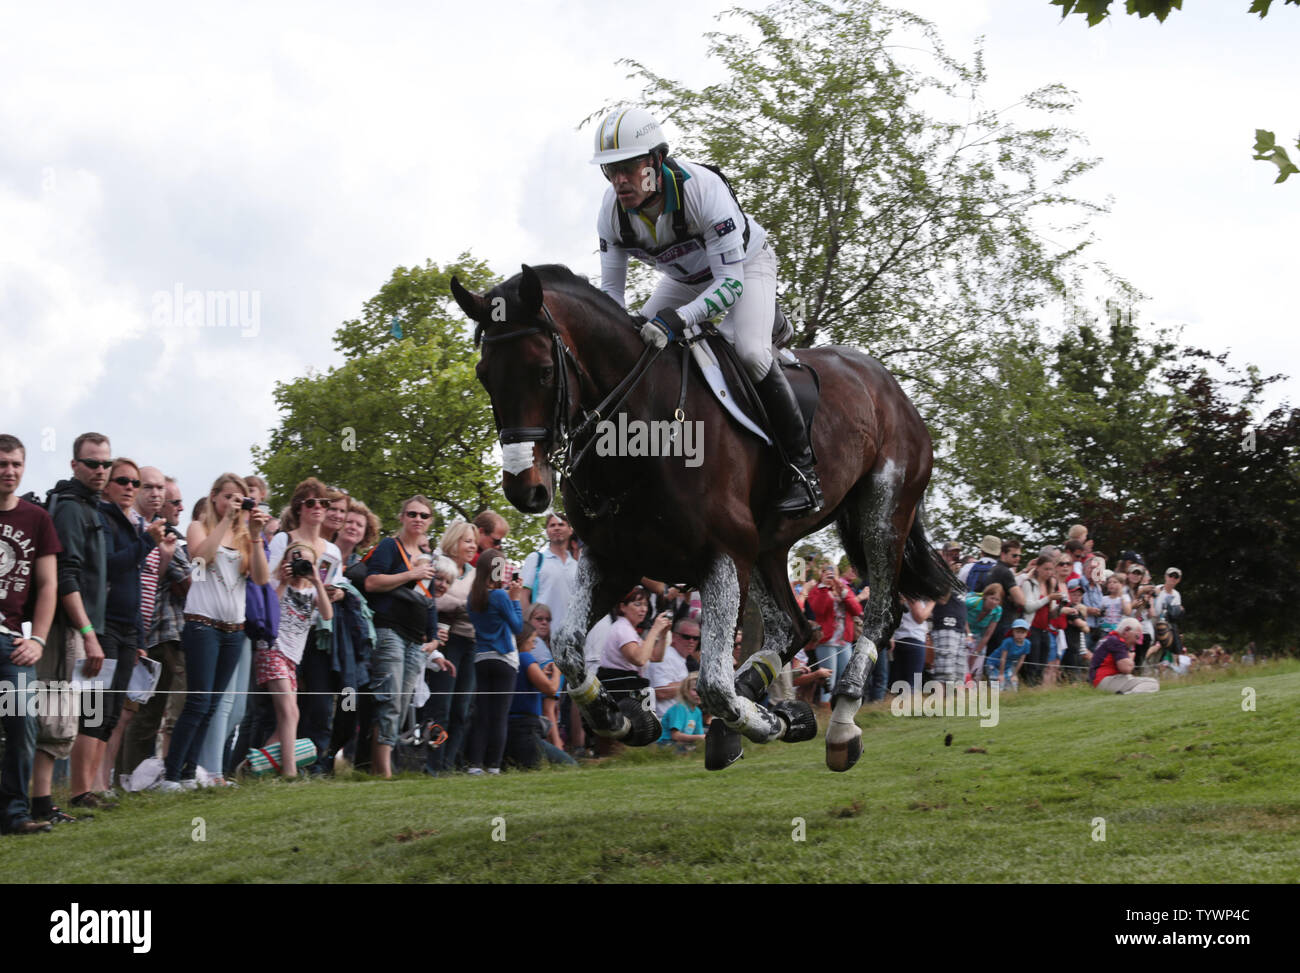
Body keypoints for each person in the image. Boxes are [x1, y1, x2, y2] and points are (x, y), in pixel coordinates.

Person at [592, 106, 821, 515]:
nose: (620, 180)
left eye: (628, 167)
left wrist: (679, 320)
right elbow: (612, 296)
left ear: (656, 160)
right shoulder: (610, 214)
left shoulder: (703, 190)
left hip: (745, 268)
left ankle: (803, 470)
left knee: (749, 352)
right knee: (638, 349)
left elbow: (729, 285)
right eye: (611, 170)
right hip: (685, 279)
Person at [157, 474, 270, 790]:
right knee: (197, 703)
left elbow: (261, 579)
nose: (234, 503)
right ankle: (171, 775)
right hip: (202, 625)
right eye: (228, 497)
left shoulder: (247, 536)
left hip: (233, 630)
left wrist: (257, 535)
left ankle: (190, 774)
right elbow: (200, 559)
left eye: (241, 498)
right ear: (214, 497)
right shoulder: (199, 526)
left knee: (212, 704)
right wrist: (226, 521)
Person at [32, 432, 113, 824]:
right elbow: (66, 578)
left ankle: (43, 801)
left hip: (82, 631)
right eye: (92, 463)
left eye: (105, 464)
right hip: (66, 631)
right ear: (74, 465)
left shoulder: (90, 507)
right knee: (54, 719)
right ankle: (39, 803)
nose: (100, 470)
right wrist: (87, 633)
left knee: (66, 718)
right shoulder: (68, 508)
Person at [81, 458, 160, 804]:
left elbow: (138, 586)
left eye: (135, 483)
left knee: (113, 711)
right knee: (95, 709)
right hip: (105, 626)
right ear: (108, 485)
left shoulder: (131, 524)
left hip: (130, 629)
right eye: (122, 481)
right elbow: (108, 568)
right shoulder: (101, 518)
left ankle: (98, 784)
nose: (130, 487)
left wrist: (141, 638)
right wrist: (147, 543)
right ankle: (82, 788)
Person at [0, 434, 60, 835]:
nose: (9, 471)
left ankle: (15, 815)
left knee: (23, 720)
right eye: (2, 464)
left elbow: (49, 585)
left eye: (16, 464)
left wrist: (37, 639)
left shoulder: (37, 518)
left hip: (10, 640)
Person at [362, 495, 445, 779]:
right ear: (402, 517)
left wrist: (433, 638)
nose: (417, 519)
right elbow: (372, 582)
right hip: (389, 630)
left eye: (423, 515)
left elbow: (429, 599)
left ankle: (381, 766)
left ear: (430, 521)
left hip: (416, 638)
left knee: (402, 699)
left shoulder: (428, 559)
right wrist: (412, 573)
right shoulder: (389, 546)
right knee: (390, 699)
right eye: (412, 514)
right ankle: (383, 771)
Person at [122, 475, 189, 774]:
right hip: (157, 635)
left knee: (147, 713)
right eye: (173, 501)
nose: (177, 506)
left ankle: (137, 776)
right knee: (143, 714)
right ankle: (128, 776)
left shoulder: (172, 538)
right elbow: (189, 583)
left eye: (164, 493)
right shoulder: (152, 535)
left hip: (161, 633)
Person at [256, 541, 334, 778]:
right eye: (294, 560)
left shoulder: (311, 591)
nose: (299, 565)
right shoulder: (274, 582)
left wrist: (317, 580)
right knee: (290, 713)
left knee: (289, 717)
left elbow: (327, 614)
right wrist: (282, 582)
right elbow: (269, 613)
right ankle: (290, 773)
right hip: (271, 649)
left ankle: (253, 766)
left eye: (305, 562)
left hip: (292, 657)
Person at [464, 548, 525, 775]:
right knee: (499, 716)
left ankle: (475, 765)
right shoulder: (500, 596)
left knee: (482, 714)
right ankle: (494, 765)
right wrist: (516, 600)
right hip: (504, 659)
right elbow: (517, 626)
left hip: (481, 657)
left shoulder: (473, 597)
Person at [427, 519, 478, 773]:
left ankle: (448, 767)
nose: (472, 546)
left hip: (470, 644)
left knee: (462, 709)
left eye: (474, 542)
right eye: (467, 541)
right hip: (445, 645)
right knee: (441, 708)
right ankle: (432, 764)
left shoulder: (475, 574)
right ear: (454, 540)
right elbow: (430, 601)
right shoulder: (436, 565)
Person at [504, 622, 575, 770]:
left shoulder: (510, 659)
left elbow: (521, 685)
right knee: (569, 765)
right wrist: (558, 671)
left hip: (510, 728)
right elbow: (551, 689)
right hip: (526, 730)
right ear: (522, 640)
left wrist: (541, 674)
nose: (534, 646)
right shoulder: (525, 657)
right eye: (533, 640)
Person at [805, 564, 864, 702]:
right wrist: (825, 589)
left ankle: (841, 708)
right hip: (827, 640)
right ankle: (825, 709)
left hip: (845, 640)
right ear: (821, 574)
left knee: (845, 677)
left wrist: (842, 591)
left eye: (832, 572)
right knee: (828, 679)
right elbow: (818, 610)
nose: (829, 575)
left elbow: (856, 610)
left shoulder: (844, 588)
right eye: (826, 572)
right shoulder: (817, 591)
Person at [1089, 618, 1159, 694]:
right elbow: (1126, 669)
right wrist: (1131, 659)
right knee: (1153, 684)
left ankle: (1127, 693)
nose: (1137, 642)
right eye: (1137, 637)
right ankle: (1127, 694)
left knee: (1150, 681)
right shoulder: (1116, 641)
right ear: (1126, 631)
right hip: (1105, 680)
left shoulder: (1109, 639)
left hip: (1100, 680)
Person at [649, 618, 700, 720]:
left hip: (677, 721)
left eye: (695, 638)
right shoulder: (666, 656)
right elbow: (660, 692)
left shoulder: (682, 659)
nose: (691, 641)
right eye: (686, 637)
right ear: (674, 636)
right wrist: (692, 683)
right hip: (662, 721)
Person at [891, 594, 932, 694]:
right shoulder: (911, 592)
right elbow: (920, 617)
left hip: (901, 638)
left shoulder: (900, 592)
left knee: (900, 683)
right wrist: (933, 601)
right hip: (913, 639)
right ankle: (908, 707)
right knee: (912, 684)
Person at [964, 583, 1003, 682]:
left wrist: (976, 653)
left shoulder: (998, 611)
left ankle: (974, 691)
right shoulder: (972, 603)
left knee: (976, 670)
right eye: (992, 598)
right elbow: (961, 616)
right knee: (964, 667)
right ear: (985, 596)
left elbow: (988, 634)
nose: (994, 602)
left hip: (980, 637)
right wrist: (968, 634)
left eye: (997, 600)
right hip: (964, 632)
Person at [657, 672, 705, 750]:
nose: (699, 693)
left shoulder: (698, 712)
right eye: (694, 690)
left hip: (680, 743)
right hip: (666, 743)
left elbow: (699, 735)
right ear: (685, 691)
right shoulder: (680, 708)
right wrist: (699, 737)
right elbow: (675, 735)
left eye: (702, 690)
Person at [986, 619, 1033, 690]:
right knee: (999, 684)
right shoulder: (1008, 642)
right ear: (1013, 632)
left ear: (1026, 633)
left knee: (1012, 685)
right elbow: (1003, 658)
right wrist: (1001, 674)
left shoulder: (1027, 644)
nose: (1020, 635)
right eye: (1017, 632)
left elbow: (1021, 660)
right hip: (993, 663)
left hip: (1007, 665)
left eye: (1023, 632)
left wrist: (1014, 674)